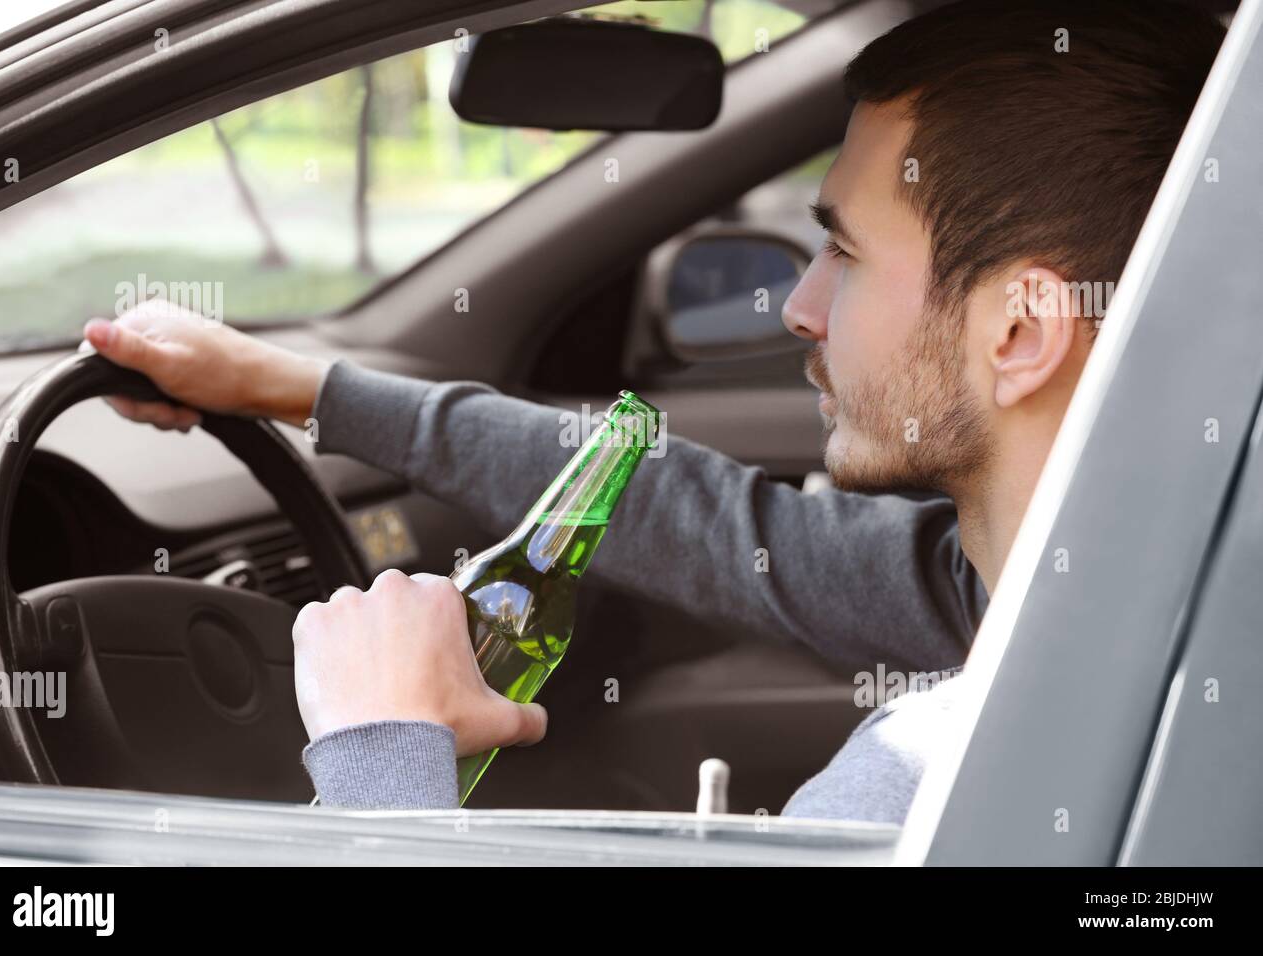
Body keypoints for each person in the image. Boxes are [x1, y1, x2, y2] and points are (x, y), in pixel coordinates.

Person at [81, 0, 1224, 822]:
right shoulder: (1068, 593)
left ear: (1019, 331)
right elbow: (715, 524)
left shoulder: (939, 768)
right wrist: (294, 386)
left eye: (841, 249)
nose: (801, 305)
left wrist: (380, 756)